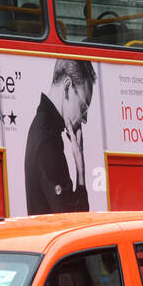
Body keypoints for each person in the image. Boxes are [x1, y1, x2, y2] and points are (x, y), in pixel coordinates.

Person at [25, 58, 96, 214]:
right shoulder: (47, 141)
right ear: (67, 87)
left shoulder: (42, 127)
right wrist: (80, 168)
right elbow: (75, 222)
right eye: (83, 107)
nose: (85, 119)